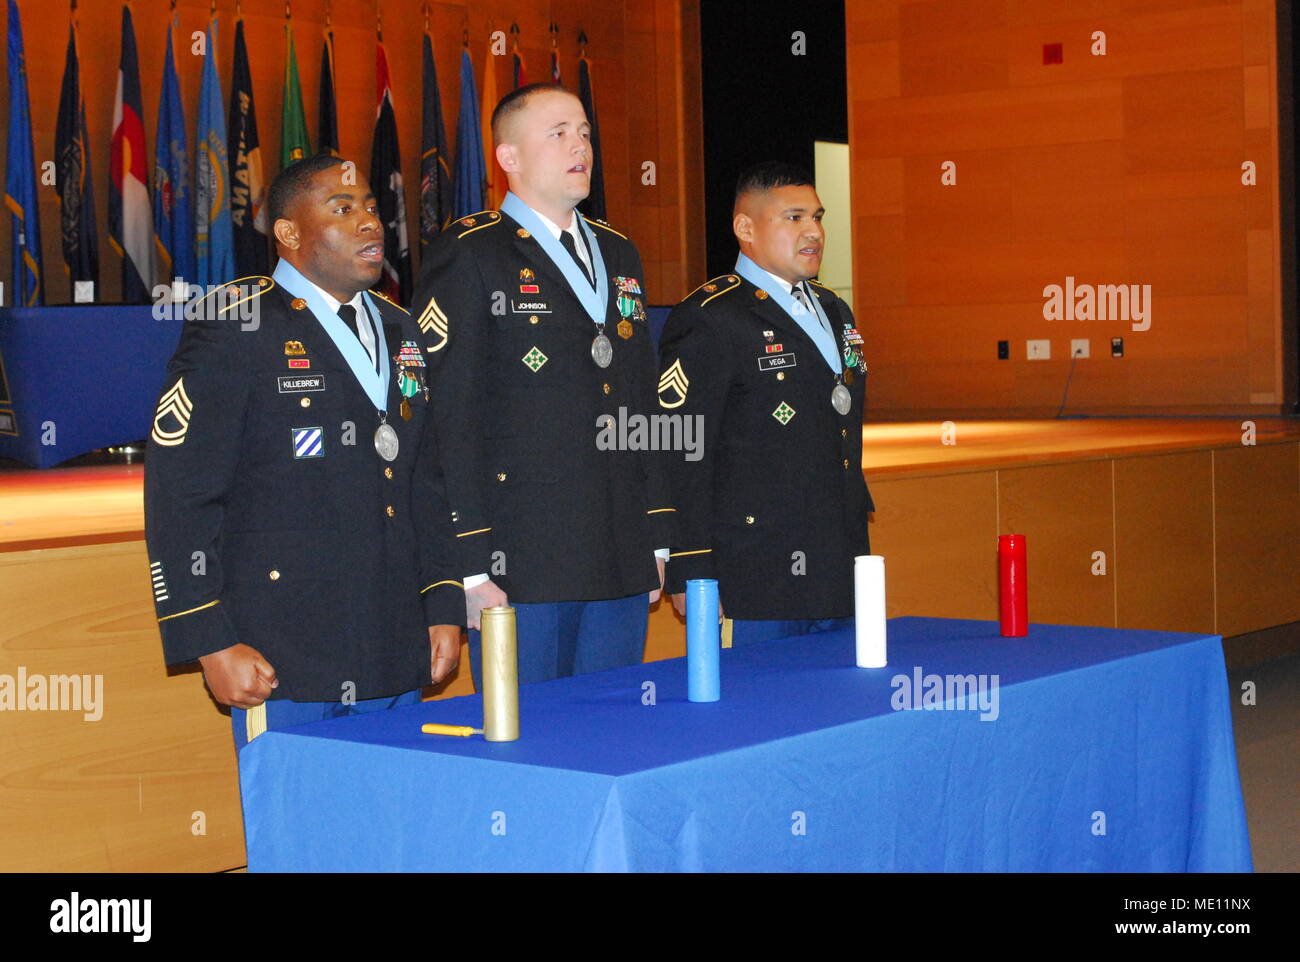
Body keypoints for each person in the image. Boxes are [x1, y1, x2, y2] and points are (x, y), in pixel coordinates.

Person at [144, 154, 464, 748]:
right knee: (299, 832)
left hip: (394, 639)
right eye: (343, 210)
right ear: (289, 234)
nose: (371, 223)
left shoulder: (402, 329)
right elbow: (181, 492)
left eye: (371, 207)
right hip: (283, 653)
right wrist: (209, 637)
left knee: (390, 827)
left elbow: (425, 480)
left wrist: (442, 601)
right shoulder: (234, 323)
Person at [412, 83, 671, 685]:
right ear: (508, 158)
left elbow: (643, 396)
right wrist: (470, 566)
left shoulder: (619, 251)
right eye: (558, 133)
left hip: (619, 547)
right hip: (520, 558)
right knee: (528, 744)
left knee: (612, 733)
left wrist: (658, 532)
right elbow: (448, 415)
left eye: (583, 132)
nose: (580, 145)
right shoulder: (470, 252)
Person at [658, 161, 874, 646]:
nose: (814, 231)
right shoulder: (711, 317)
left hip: (838, 558)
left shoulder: (835, 311)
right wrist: (691, 565)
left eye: (817, 217)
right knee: (767, 711)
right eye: (794, 218)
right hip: (756, 569)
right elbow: (681, 448)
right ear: (745, 228)